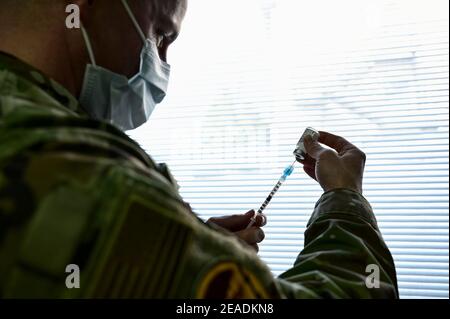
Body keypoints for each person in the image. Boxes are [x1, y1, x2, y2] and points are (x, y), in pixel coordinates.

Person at [0, 0, 398, 298]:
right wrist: (344, 198)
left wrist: (183, 250)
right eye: (160, 35)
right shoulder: (84, 173)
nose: (162, 62)